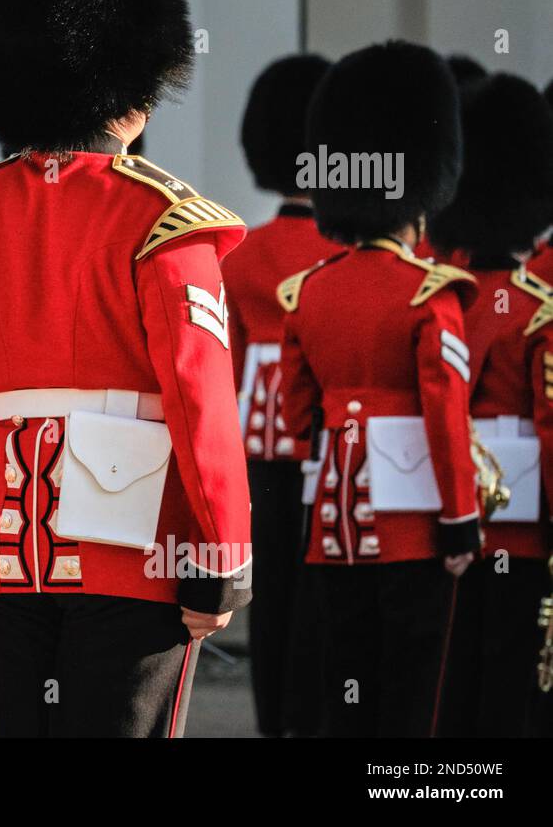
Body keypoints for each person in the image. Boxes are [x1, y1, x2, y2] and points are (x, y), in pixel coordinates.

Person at [0, 0, 252, 738]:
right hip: (134, 548)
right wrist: (220, 559)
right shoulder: (164, 218)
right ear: (139, 85)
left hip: (2, 544)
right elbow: (200, 403)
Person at [278, 41, 480, 737]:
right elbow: (445, 418)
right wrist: (460, 519)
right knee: (413, 693)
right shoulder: (430, 296)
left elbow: (295, 412)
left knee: (348, 686)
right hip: (414, 527)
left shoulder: (309, 293)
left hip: (331, 528)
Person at [424, 73, 553, 736]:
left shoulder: (437, 298)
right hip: (520, 525)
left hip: (440, 510)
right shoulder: (536, 307)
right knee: (506, 670)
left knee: (449, 668)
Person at [221, 54, 342, 737]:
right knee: (321, 597)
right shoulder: (336, 252)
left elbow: (232, 362)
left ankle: (275, 723)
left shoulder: (243, 250)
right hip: (321, 442)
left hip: (257, 446)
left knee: (270, 603)